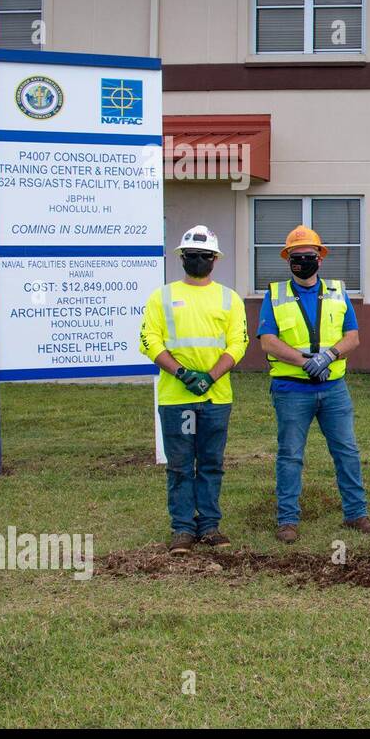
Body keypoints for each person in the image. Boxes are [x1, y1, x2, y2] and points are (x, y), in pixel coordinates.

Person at [258, 225, 370, 543]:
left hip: (333, 388)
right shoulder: (275, 294)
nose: (302, 261)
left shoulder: (338, 292)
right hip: (291, 389)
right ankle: (287, 521)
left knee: (347, 451)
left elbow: (353, 336)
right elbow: (268, 341)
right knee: (291, 454)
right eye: (296, 257)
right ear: (288, 260)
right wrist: (305, 362)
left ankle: (356, 514)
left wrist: (329, 356)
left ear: (320, 259)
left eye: (308, 256)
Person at [139, 225, 248, 555]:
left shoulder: (230, 298)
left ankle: (210, 525)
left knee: (212, 462)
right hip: (177, 398)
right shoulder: (162, 296)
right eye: (191, 256)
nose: (197, 260)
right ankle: (183, 529)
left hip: (215, 398)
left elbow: (238, 343)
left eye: (203, 256)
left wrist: (210, 376)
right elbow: (148, 341)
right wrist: (183, 373)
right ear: (181, 259)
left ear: (214, 260)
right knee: (181, 465)